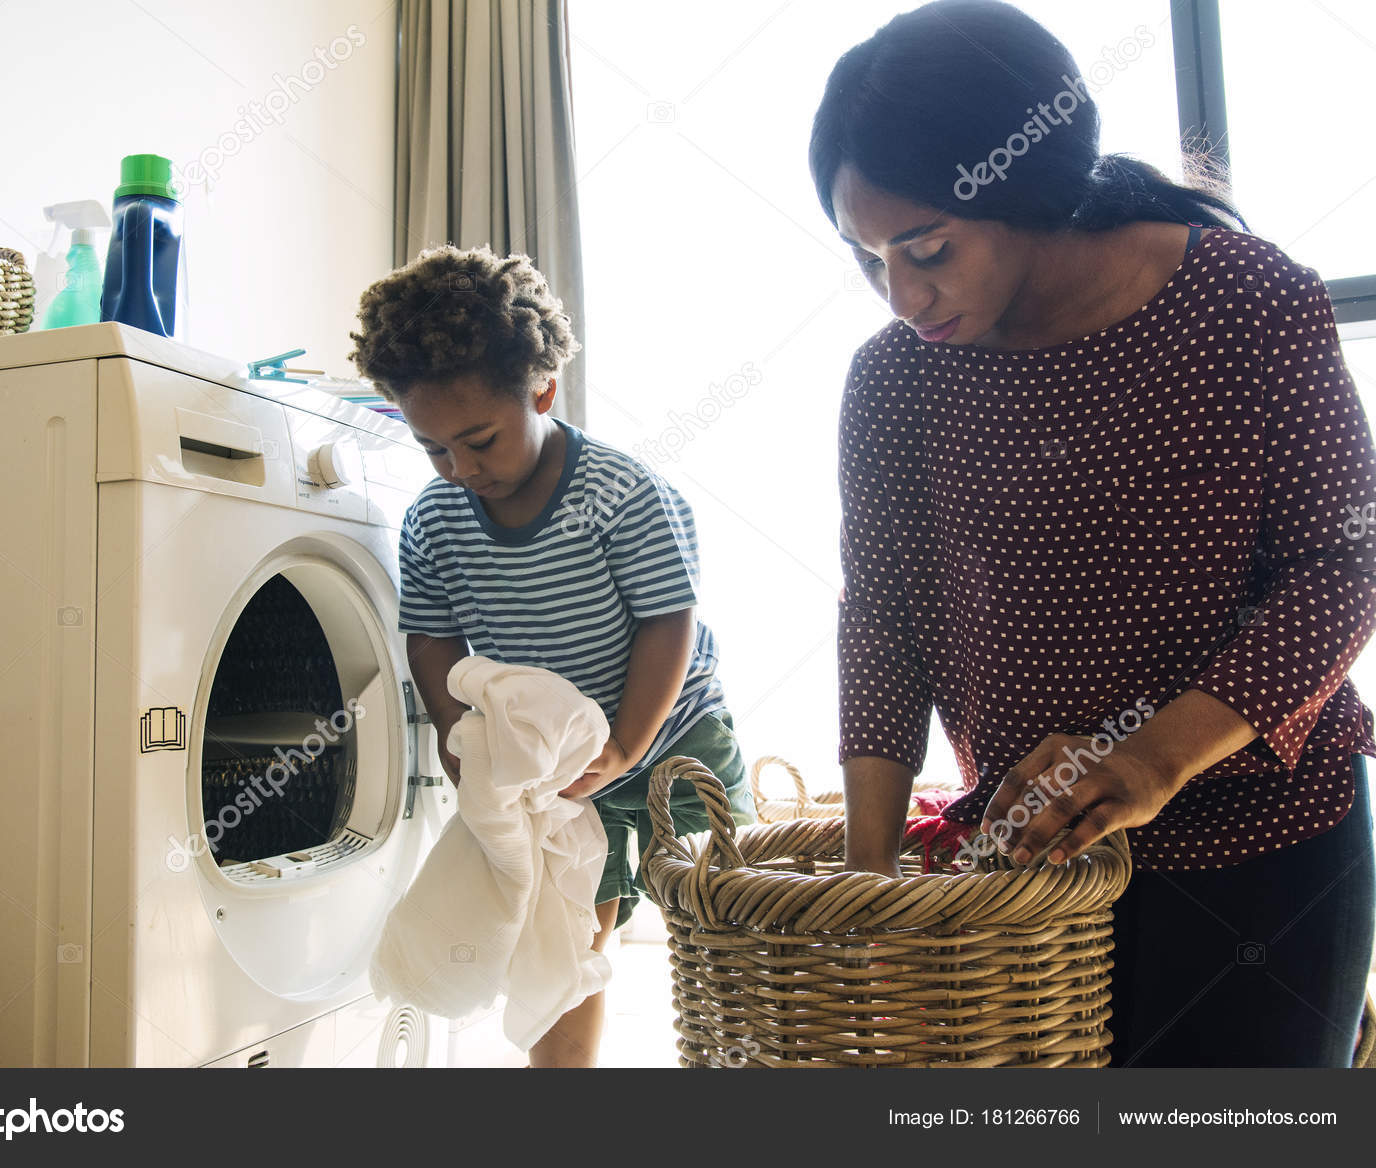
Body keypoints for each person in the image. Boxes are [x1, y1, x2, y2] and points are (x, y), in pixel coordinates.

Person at [811, 0, 1376, 1066]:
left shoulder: (1244, 303)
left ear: (1025, 188)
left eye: (925, 248)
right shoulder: (894, 379)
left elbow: (1343, 562)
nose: (900, 294)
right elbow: (880, 622)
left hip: (1263, 853)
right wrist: (870, 886)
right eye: (866, 258)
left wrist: (1150, 761)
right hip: (1032, 884)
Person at [348, 244, 757, 1067]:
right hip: (555, 765)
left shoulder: (620, 494)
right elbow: (431, 637)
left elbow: (666, 623)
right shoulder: (434, 522)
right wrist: (460, 742)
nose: (460, 470)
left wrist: (627, 747)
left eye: (480, 441)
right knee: (566, 940)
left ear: (542, 390)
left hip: (673, 733)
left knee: (730, 910)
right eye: (433, 450)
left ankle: (751, 1059)